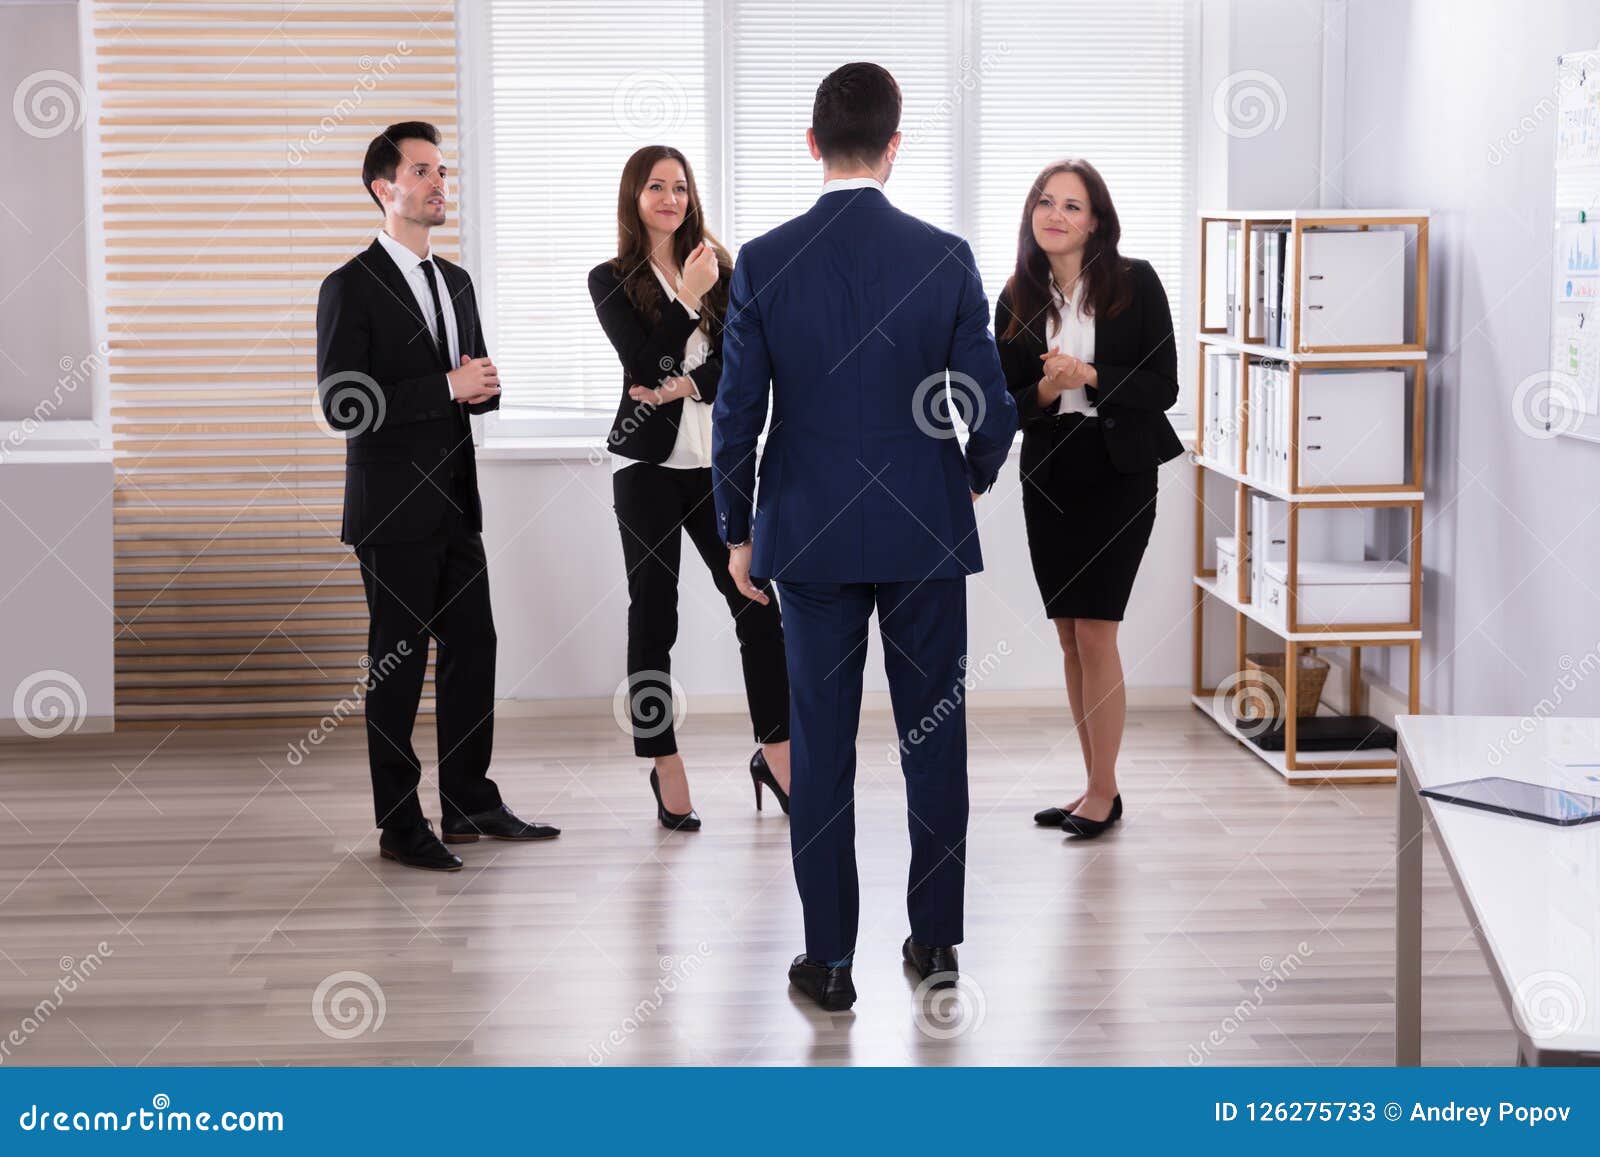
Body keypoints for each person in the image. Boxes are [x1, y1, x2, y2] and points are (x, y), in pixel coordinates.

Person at [712, 64, 1018, 1012]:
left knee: (824, 743)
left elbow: (737, 416)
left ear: (813, 144)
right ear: (896, 146)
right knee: (935, 740)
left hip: (804, 537)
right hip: (922, 532)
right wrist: (961, 479)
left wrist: (736, 531)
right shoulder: (948, 256)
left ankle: (829, 963)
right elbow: (994, 411)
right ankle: (933, 944)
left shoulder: (763, 260)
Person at [316, 121, 560, 871]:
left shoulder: (455, 280)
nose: (437, 183)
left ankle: (469, 801)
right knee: (397, 663)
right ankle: (400, 824)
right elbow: (342, 403)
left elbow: (469, 385)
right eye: (421, 171)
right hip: (391, 512)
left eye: (442, 171)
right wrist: (443, 388)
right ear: (383, 189)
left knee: (473, 649)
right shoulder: (348, 286)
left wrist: (480, 388)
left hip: (456, 502)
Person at [588, 146, 792, 831]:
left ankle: (778, 749)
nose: (670, 198)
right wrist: (685, 300)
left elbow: (746, 364)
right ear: (634, 197)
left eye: (679, 186)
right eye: (656, 187)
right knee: (654, 612)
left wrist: (688, 382)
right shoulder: (611, 278)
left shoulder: (724, 269)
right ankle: (664, 760)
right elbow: (641, 365)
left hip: (718, 467)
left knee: (757, 603)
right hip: (644, 467)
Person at [993, 159, 1184, 840]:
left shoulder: (1135, 283)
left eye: (1073, 206)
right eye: (1046, 202)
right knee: (1070, 636)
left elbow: (1164, 386)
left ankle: (1104, 789)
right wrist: (1048, 388)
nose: (1057, 215)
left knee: (1098, 630)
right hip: (1050, 474)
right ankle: (1093, 783)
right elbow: (1008, 404)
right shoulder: (1016, 295)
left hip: (1119, 471)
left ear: (1096, 219)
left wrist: (1091, 374)